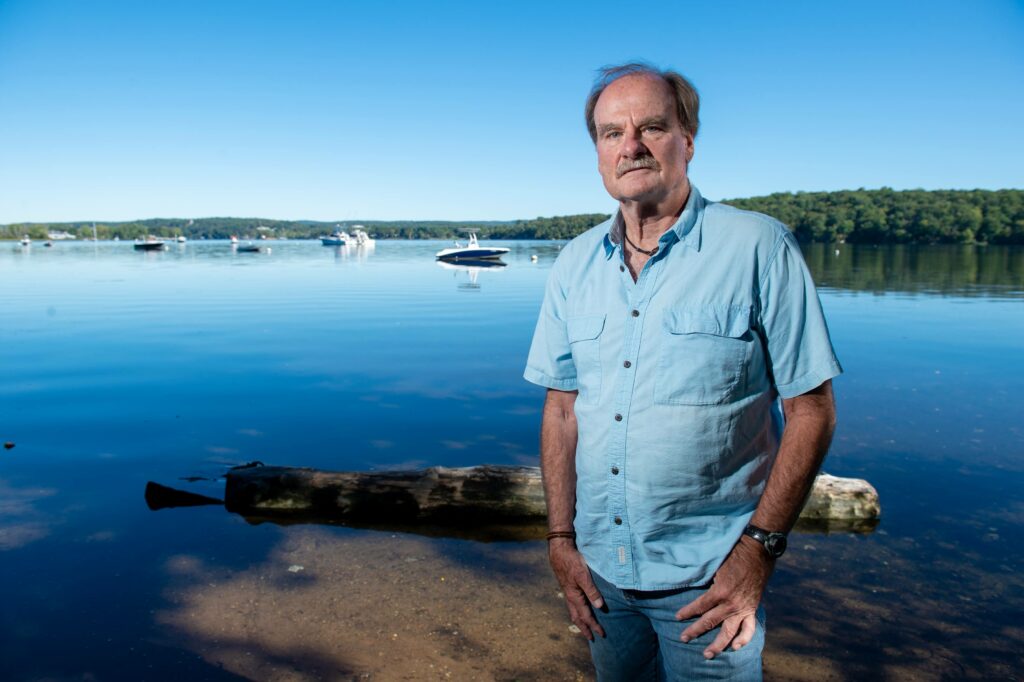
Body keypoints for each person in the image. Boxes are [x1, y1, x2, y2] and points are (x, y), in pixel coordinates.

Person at [523, 63, 842, 680]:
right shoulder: (573, 264)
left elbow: (812, 409)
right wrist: (560, 543)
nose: (630, 146)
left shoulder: (758, 247)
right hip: (600, 578)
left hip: (710, 584)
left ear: (687, 140)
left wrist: (759, 553)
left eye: (650, 127)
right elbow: (561, 410)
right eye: (611, 133)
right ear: (597, 153)